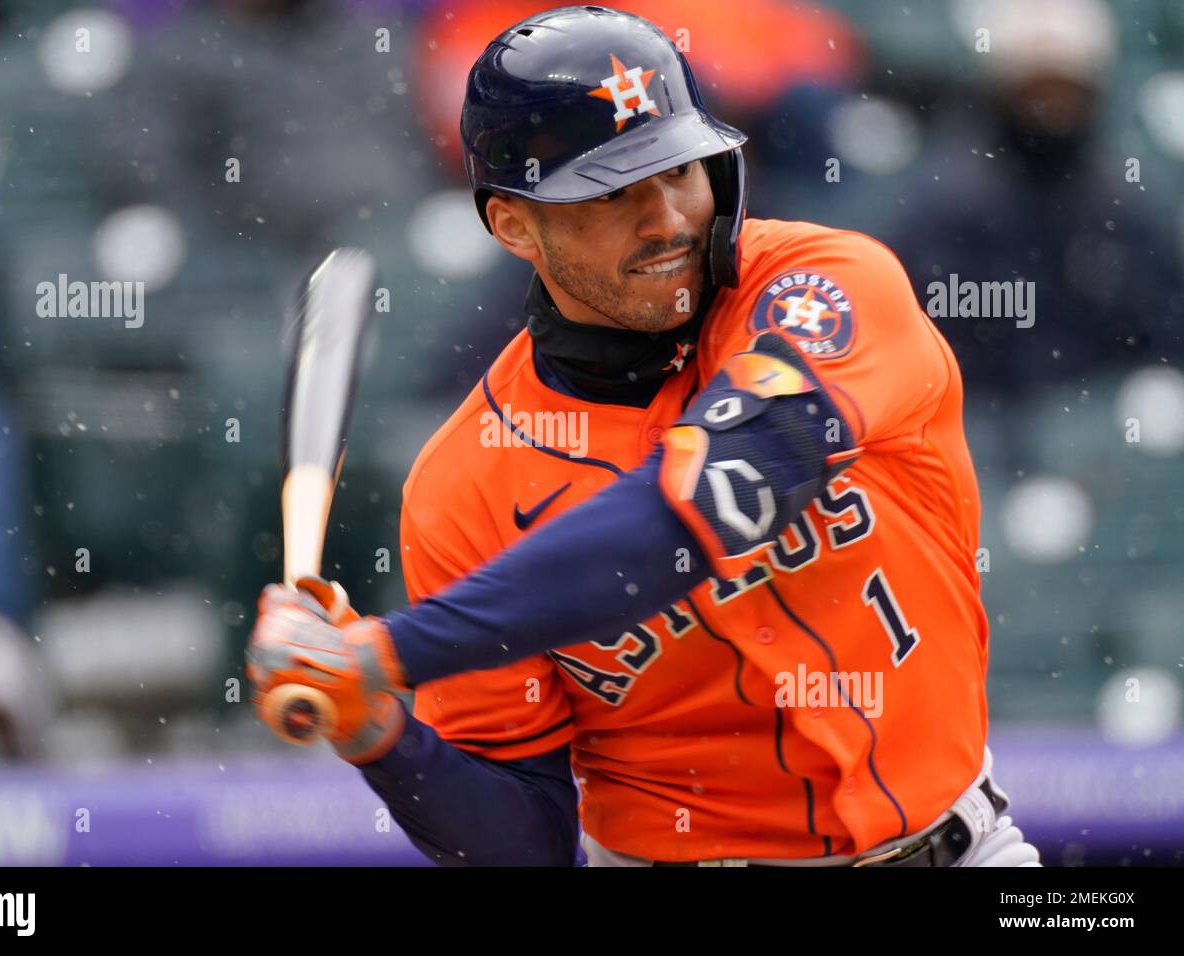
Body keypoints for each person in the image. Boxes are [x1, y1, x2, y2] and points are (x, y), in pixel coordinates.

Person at [247, 6, 1040, 867]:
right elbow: (525, 847)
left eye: (681, 169)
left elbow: (712, 498)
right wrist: (376, 728)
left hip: (962, 846)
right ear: (514, 223)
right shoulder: (462, 489)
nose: (668, 219)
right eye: (612, 192)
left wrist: (389, 649)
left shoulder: (826, 285)